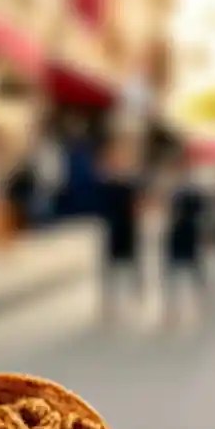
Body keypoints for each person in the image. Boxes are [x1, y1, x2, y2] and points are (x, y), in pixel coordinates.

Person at [96, 135, 144, 321]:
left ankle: (134, 296)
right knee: (111, 268)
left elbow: (137, 205)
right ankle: (110, 303)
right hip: (114, 229)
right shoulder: (107, 184)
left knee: (131, 264)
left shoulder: (131, 183)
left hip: (128, 228)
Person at [164, 151, 209, 325]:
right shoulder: (176, 190)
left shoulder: (191, 191)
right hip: (178, 234)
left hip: (188, 233)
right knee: (177, 272)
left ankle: (196, 303)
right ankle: (174, 308)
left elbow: (202, 213)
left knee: (192, 270)